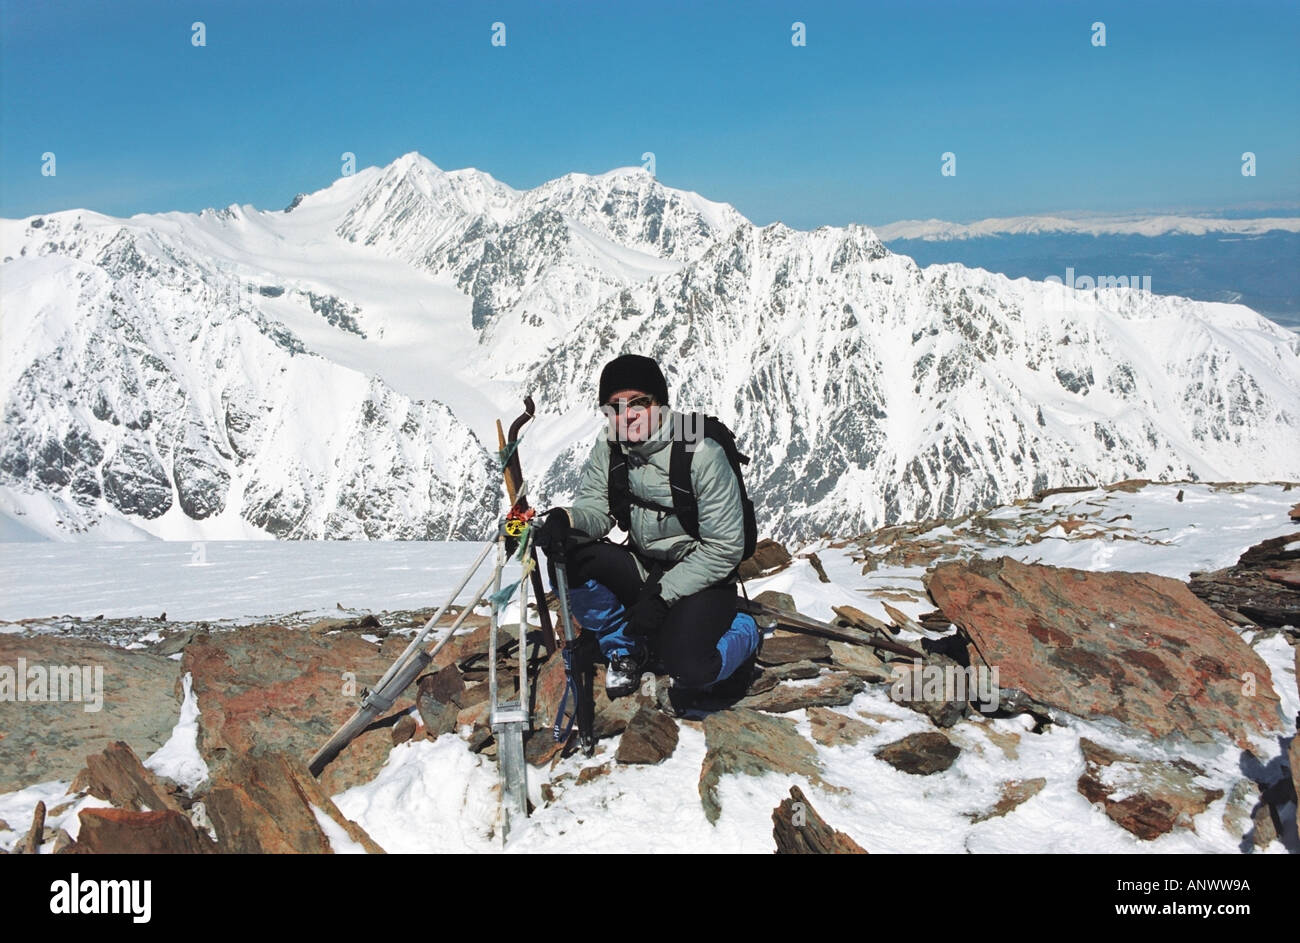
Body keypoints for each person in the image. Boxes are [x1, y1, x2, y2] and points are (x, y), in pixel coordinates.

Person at [532, 353, 761, 705]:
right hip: (646, 566)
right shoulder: (611, 445)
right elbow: (598, 508)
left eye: (639, 402)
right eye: (616, 407)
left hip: (705, 576)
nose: (628, 415)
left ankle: (745, 633)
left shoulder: (699, 450)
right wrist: (568, 521)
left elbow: (725, 548)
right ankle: (623, 649)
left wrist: (662, 595)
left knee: (689, 667)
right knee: (573, 556)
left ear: (660, 402)